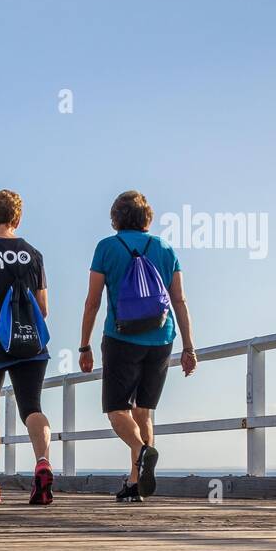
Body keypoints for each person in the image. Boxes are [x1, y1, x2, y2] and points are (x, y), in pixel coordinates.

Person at [78, 190, 197, 504]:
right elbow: (179, 300)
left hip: (121, 338)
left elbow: (92, 302)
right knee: (144, 410)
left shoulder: (107, 247)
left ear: (116, 218)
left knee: (117, 410)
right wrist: (189, 347)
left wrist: (84, 345)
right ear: (148, 218)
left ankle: (142, 452)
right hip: (162, 337)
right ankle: (134, 483)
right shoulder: (165, 248)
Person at [0, 189, 55, 505]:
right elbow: (42, 307)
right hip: (30, 342)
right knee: (32, 406)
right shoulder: (34, 254)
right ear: (18, 218)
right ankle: (42, 461)